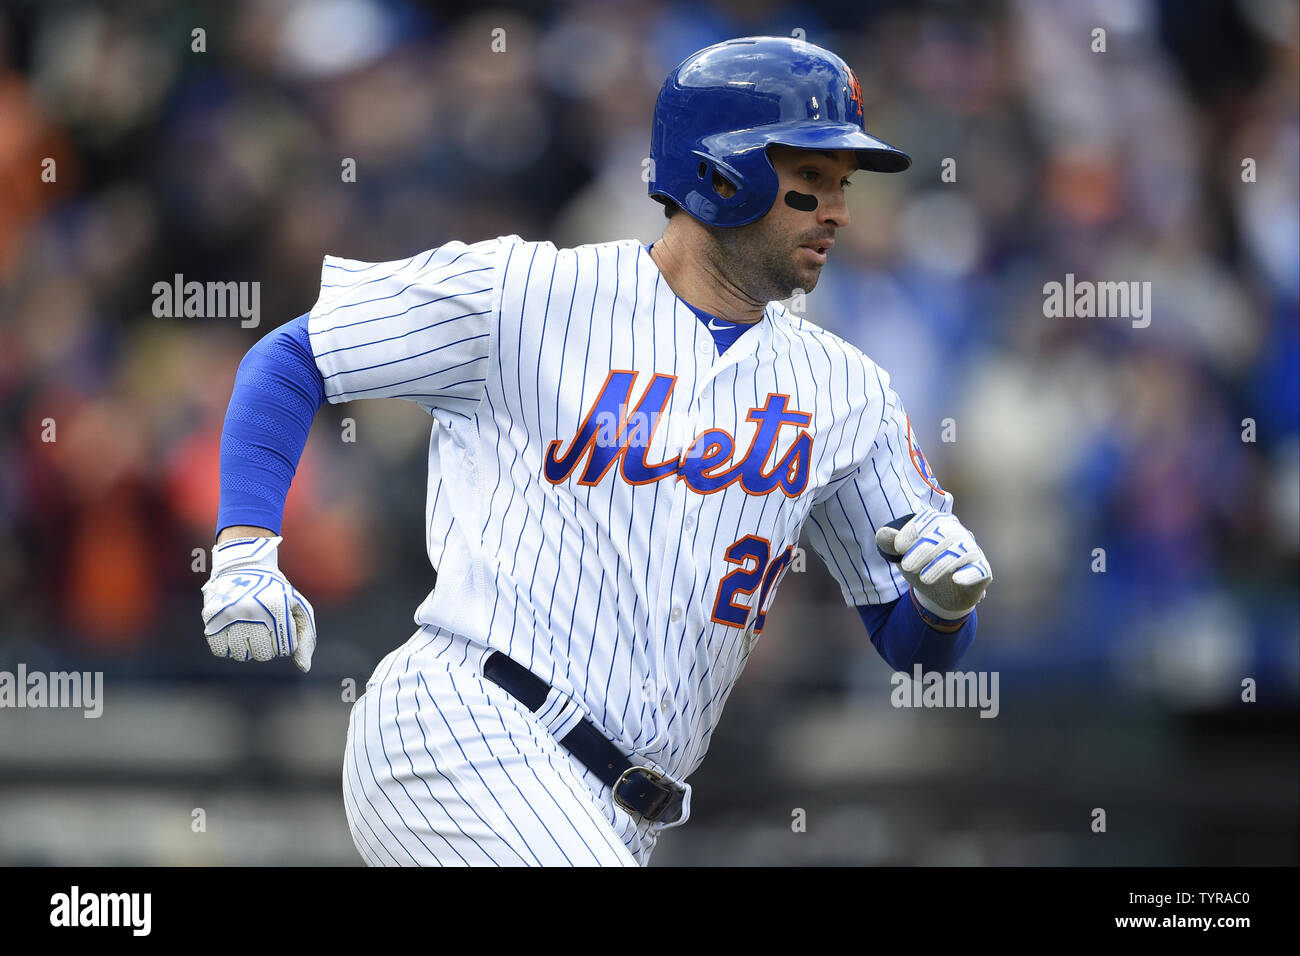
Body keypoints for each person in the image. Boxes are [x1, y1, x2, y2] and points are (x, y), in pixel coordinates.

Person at [200, 35, 993, 867]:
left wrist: (945, 608)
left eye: (843, 186)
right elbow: (294, 357)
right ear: (722, 176)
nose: (838, 211)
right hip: (466, 724)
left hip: (623, 807)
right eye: (812, 182)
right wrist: (246, 547)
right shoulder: (528, 293)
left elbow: (912, 649)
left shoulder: (847, 391)